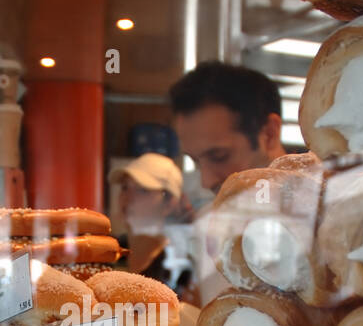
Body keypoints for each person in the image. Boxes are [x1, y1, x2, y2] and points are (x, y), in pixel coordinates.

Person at [168, 61, 287, 195]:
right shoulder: (216, 211)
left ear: (269, 133)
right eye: (196, 162)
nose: (206, 182)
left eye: (219, 157)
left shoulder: (311, 207)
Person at [108, 153, 193, 289]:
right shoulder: (112, 251)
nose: (128, 197)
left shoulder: (176, 266)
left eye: (143, 190)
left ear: (169, 203)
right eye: (125, 187)